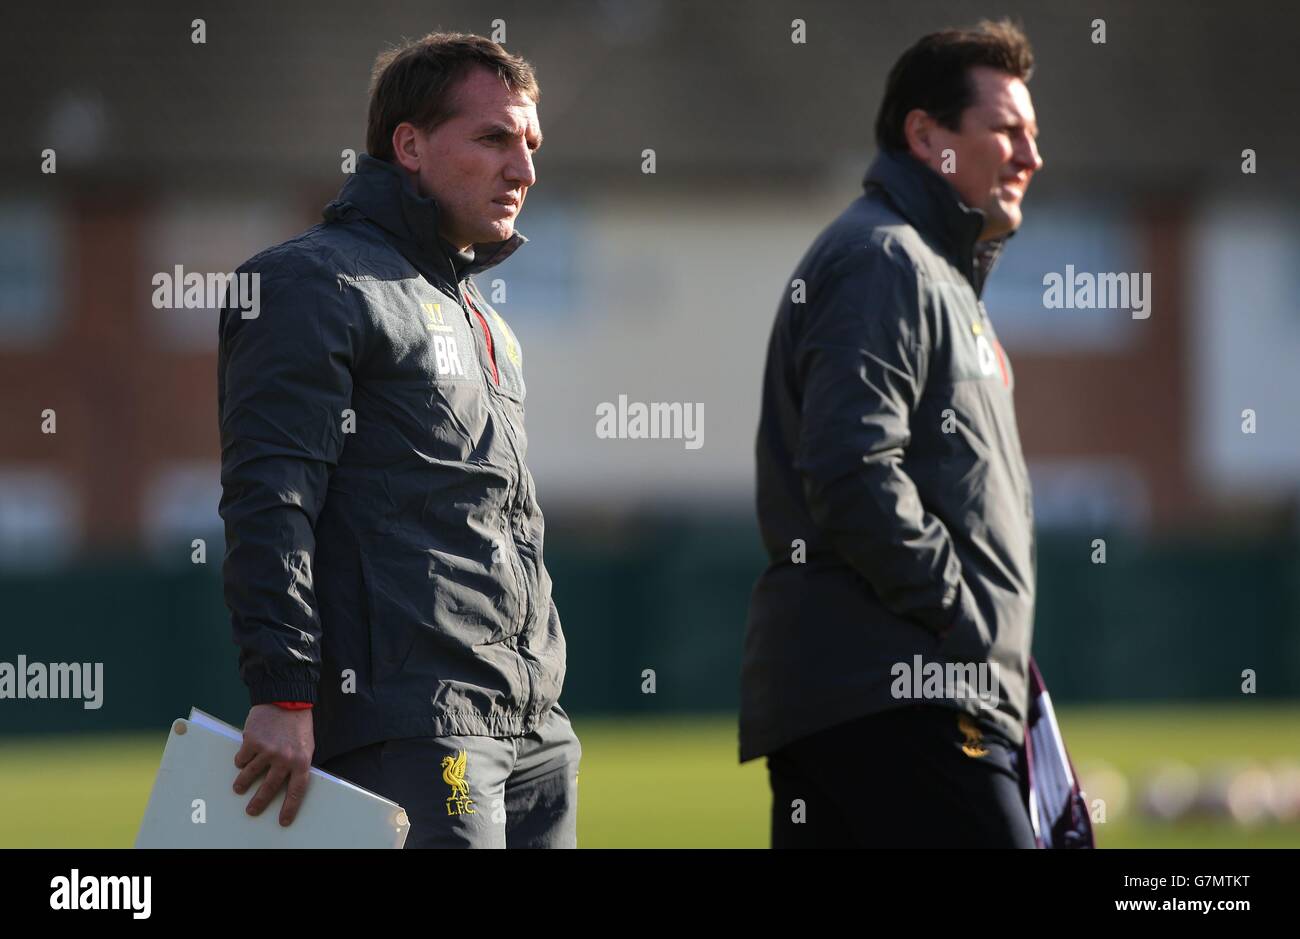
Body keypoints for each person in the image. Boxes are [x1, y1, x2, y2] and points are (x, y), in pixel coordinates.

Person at [217, 32, 579, 849]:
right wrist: (284, 692)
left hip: (536, 735)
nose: (521, 169)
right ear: (408, 146)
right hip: (415, 731)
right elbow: (270, 496)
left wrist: (541, 710)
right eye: (493, 139)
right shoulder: (311, 283)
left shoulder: (486, 320)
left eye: (529, 145)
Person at [740, 20, 1045, 848]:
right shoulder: (884, 261)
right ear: (925, 134)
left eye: (1033, 134)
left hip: (891, 694)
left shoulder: (934, 274)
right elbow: (850, 469)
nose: (1031, 156)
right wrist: (964, 619)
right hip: (905, 697)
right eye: (1006, 130)